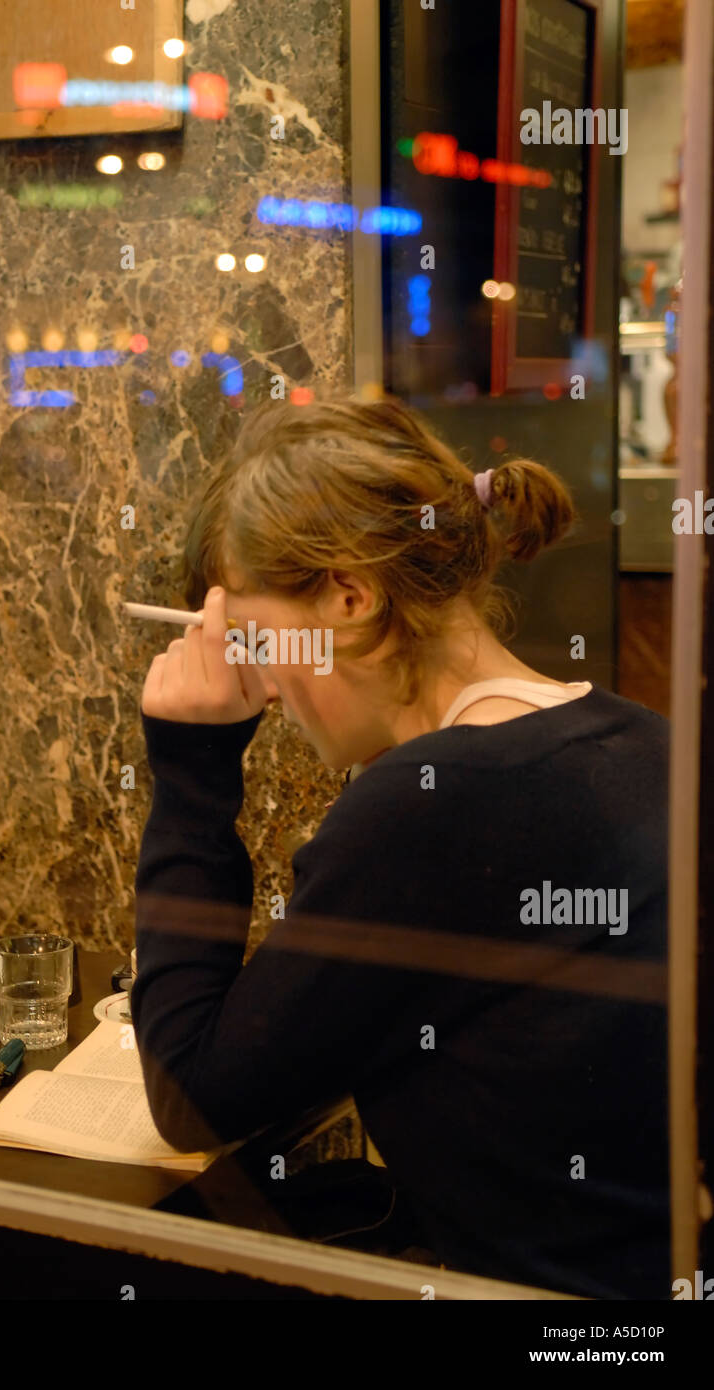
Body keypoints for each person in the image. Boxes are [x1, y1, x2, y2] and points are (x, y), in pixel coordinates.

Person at [132, 393, 670, 1300]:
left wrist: (191, 774)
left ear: (349, 595)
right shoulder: (640, 737)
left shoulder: (435, 805)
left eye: (255, 638)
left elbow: (192, 1096)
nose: (259, 686)